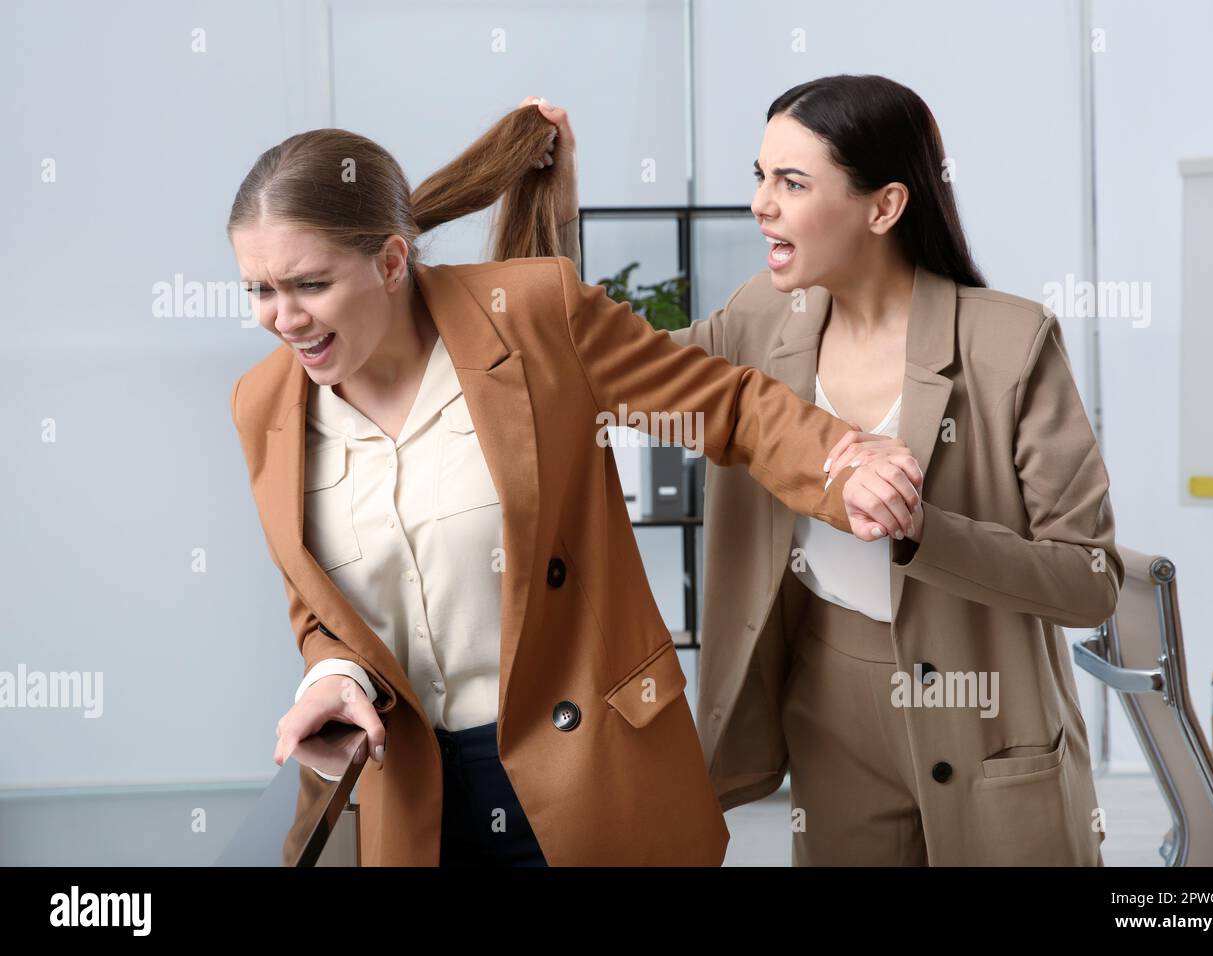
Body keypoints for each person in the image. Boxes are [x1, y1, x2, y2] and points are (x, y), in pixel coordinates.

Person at [226, 98, 917, 866]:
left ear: (391, 263)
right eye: (259, 290)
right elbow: (317, 605)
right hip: (408, 795)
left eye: (308, 285)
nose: (280, 318)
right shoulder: (263, 407)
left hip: (586, 769)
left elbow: (722, 403)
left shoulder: (529, 315)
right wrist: (331, 669)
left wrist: (844, 460)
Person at [562, 75, 1123, 865]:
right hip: (828, 707)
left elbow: (1088, 580)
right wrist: (554, 207)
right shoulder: (759, 317)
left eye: (792, 183)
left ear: (884, 207)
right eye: (759, 178)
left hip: (989, 705)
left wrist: (925, 531)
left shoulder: (1011, 343)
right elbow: (609, 376)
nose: (762, 204)